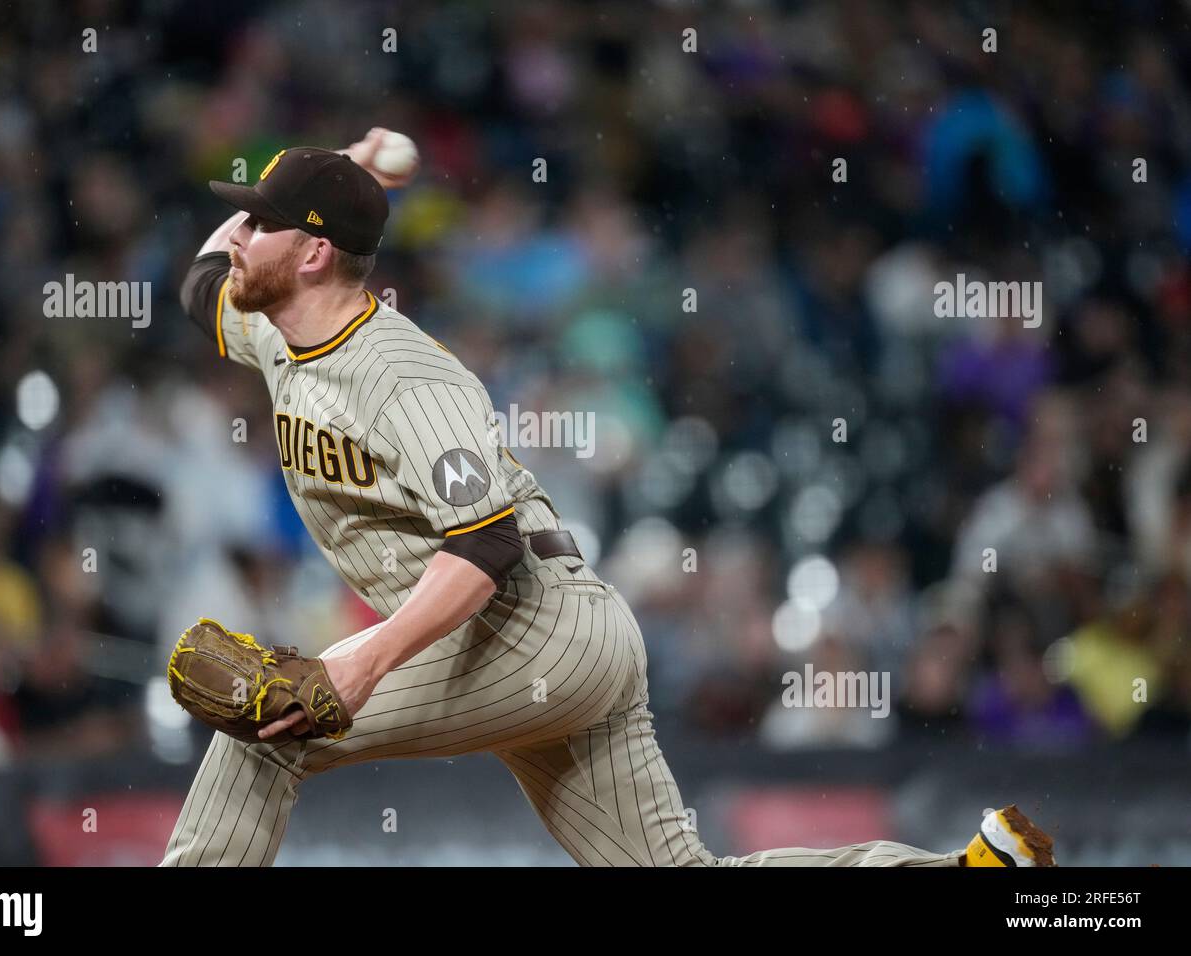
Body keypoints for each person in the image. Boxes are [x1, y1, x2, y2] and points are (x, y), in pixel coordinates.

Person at [160, 129, 1055, 868]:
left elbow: (485, 544)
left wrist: (358, 664)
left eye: (263, 225)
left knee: (270, 726)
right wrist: (337, 168)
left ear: (315, 254)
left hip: (530, 623)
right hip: (530, 640)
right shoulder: (274, 330)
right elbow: (200, 281)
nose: (237, 236)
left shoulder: (404, 377)